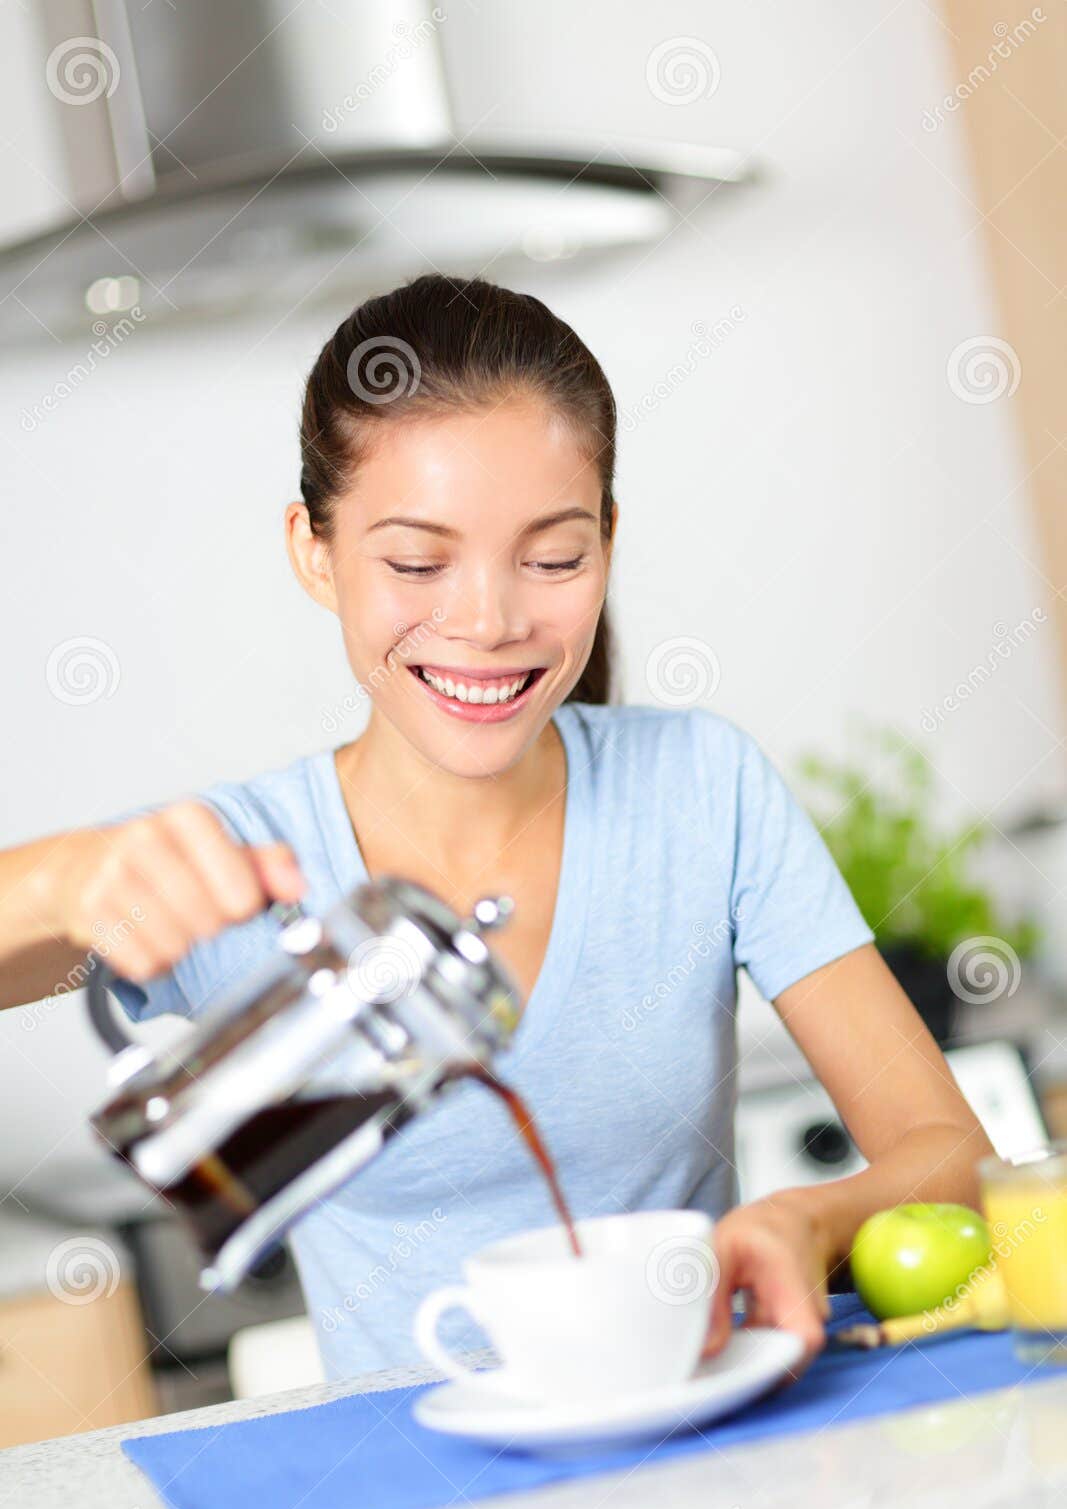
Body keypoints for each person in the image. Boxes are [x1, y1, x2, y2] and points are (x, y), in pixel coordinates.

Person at [1, 273, 992, 1382]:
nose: (488, 620)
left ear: (607, 541)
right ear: (314, 551)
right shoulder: (232, 859)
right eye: (417, 562)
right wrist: (56, 882)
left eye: (553, 557)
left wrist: (812, 1221)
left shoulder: (699, 788)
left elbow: (945, 1151)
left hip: (696, 1445)